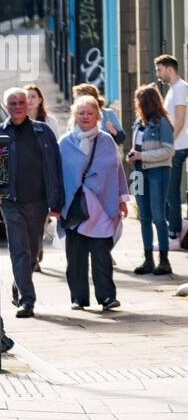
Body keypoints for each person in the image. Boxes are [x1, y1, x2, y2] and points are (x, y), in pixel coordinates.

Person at [0, 88, 64, 318]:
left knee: (34, 253)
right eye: (12, 103)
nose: (17, 106)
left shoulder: (42, 131)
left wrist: (57, 201)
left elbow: (56, 166)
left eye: (21, 102)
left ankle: (19, 285)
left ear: (28, 105)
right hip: (11, 202)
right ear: (6, 107)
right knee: (19, 251)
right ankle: (28, 300)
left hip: (38, 202)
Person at [59, 95, 130, 311]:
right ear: (75, 116)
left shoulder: (106, 140)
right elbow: (57, 176)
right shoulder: (65, 142)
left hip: (102, 208)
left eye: (90, 113)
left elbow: (117, 171)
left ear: (98, 116)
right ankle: (78, 298)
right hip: (75, 208)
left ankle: (107, 297)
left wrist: (122, 199)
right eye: (81, 113)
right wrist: (53, 205)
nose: (86, 117)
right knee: (76, 257)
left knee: (101, 255)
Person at [129, 83, 175, 275]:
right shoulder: (138, 124)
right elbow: (137, 148)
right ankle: (147, 258)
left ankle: (164, 260)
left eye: (139, 101)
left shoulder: (163, 123)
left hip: (157, 173)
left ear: (147, 102)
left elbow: (168, 151)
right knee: (144, 217)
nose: (137, 105)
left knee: (158, 216)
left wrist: (142, 157)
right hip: (138, 173)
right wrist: (132, 155)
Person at [155, 54, 188, 249]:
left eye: (159, 69)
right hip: (175, 146)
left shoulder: (180, 88)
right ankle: (178, 228)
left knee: (171, 192)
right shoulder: (174, 90)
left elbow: (180, 120)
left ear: (169, 68)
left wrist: (168, 144)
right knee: (170, 191)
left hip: (178, 147)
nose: (158, 74)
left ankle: (174, 235)